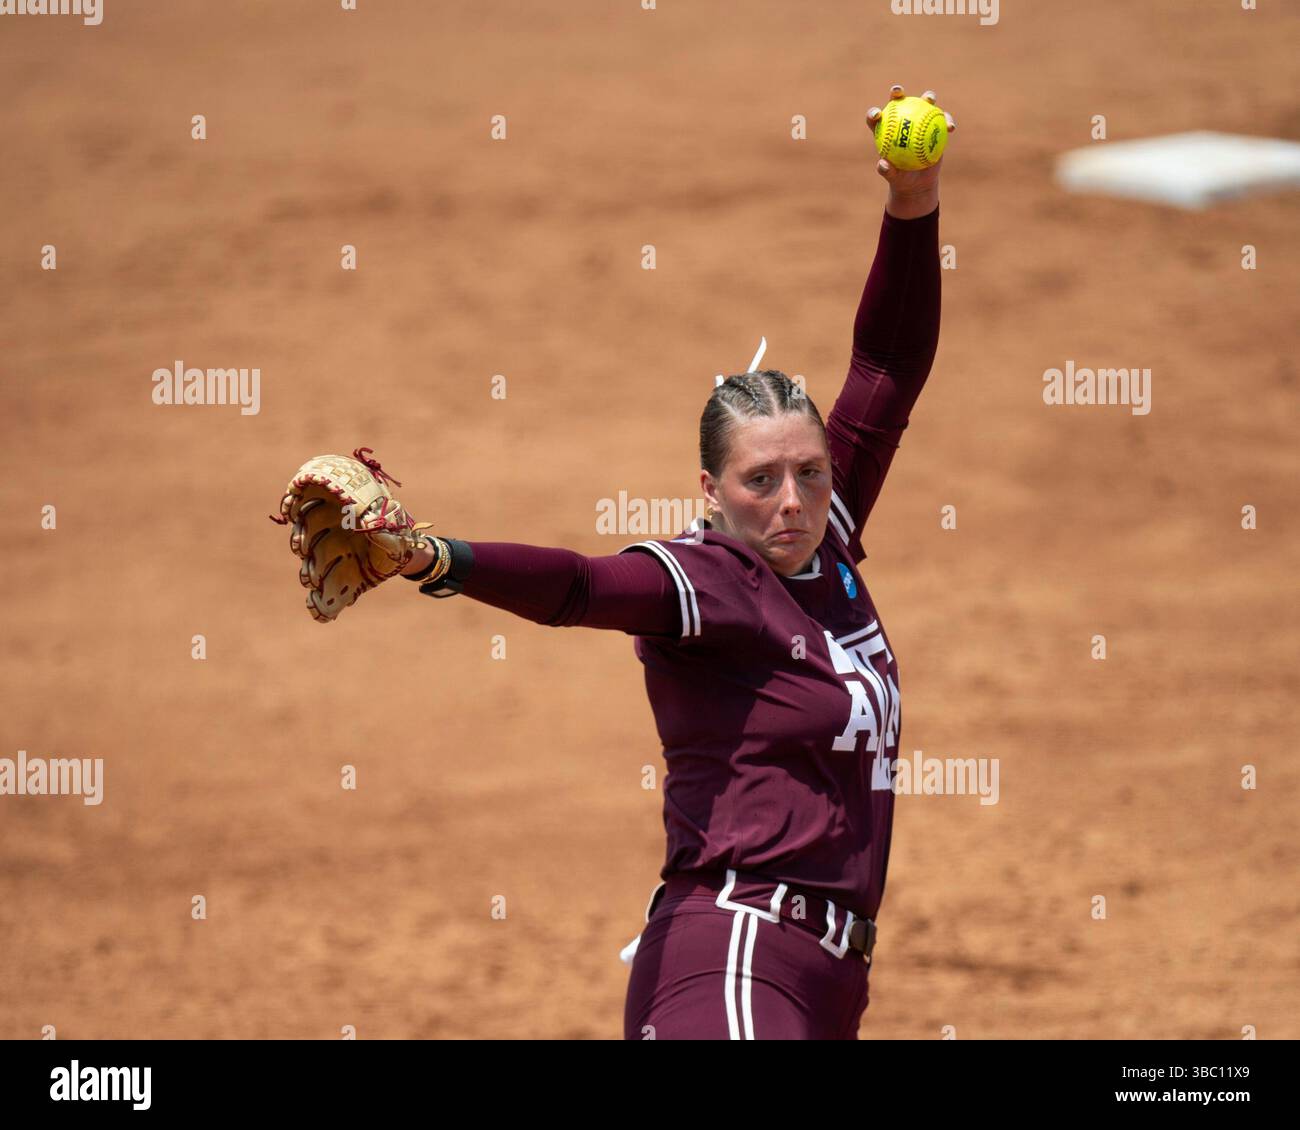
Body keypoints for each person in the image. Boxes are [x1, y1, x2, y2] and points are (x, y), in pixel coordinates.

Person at [400, 85, 953, 1039]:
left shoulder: (828, 535)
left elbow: (888, 365)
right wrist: (435, 556)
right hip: (732, 962)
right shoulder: (708, 583)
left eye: (811, 473)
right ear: (709, 489)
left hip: (824, 983)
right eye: (759, 481)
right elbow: (578, 585)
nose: (790, 503)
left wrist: (914, 201)